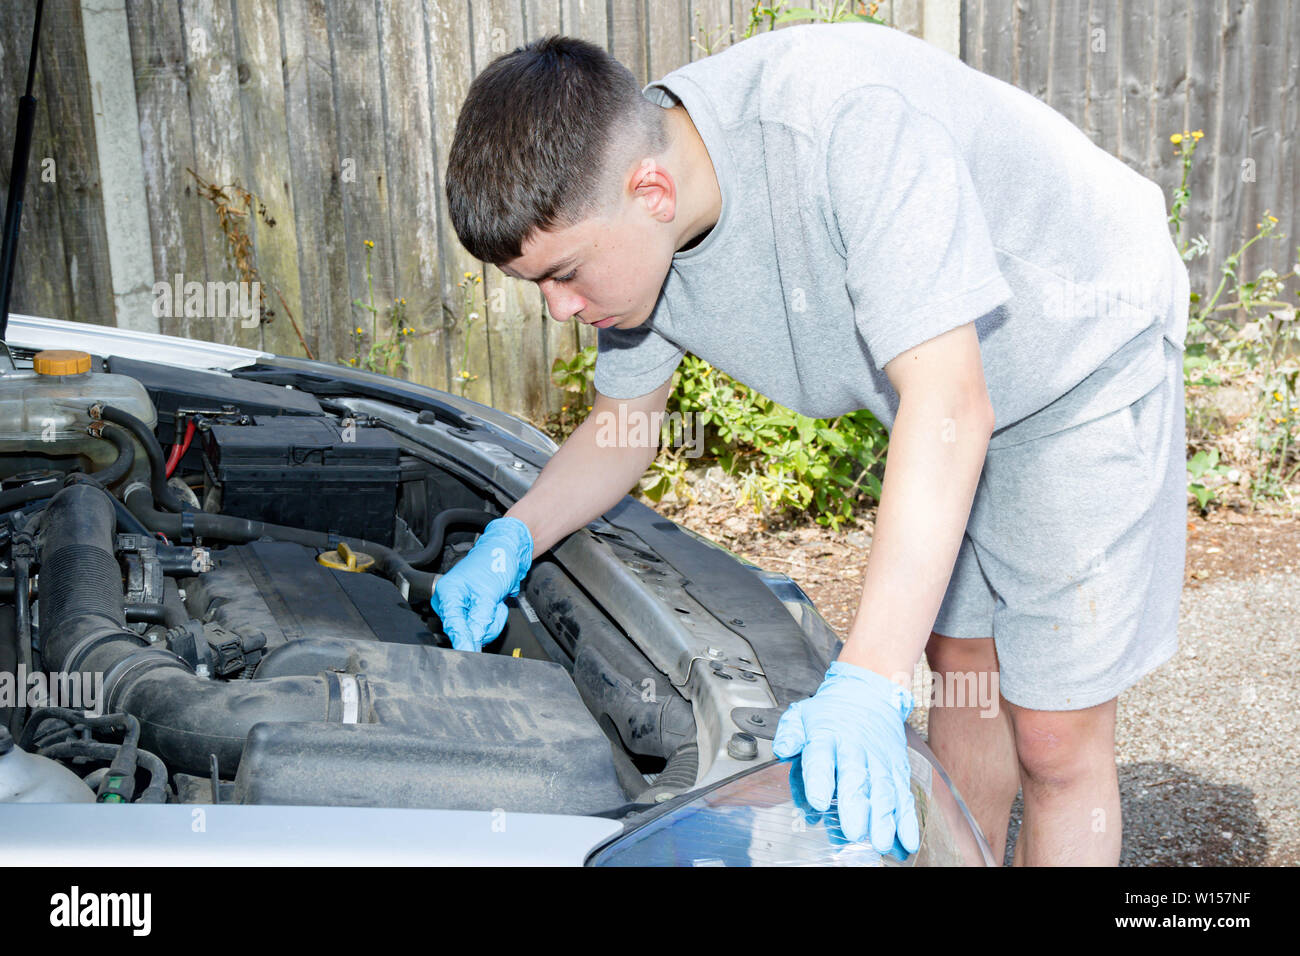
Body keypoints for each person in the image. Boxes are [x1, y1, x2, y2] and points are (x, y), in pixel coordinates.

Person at [435, 23, 1189, 866]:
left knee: (1053, 734)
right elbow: (624, 426)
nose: (558, 310)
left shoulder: (844, 125)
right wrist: (515, 536)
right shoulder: (638, 227)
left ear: (651, 191)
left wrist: (867, 677)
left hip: (1077, 355)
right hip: (949, 391)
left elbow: (949, 404)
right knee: (965, 671)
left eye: (562, 273)